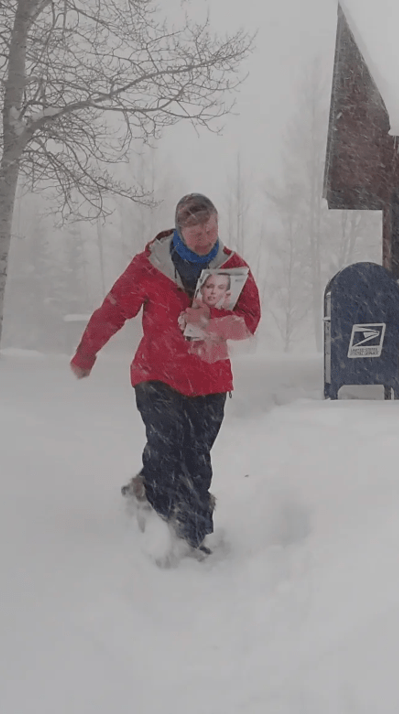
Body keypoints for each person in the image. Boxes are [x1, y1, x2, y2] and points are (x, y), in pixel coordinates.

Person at [70, 193, 260, 564]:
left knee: (196, 457)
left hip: (210, 379)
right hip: (157, 374)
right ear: (178, 231)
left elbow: (249, 322)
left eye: (210, 229)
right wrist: (86, 353)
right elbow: (114, 309)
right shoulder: (149, 266)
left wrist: (211, 323)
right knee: (165, 446)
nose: (205, 238)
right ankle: (159, 524)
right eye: (195, 232)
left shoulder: (233, 268)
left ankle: (191, 535)